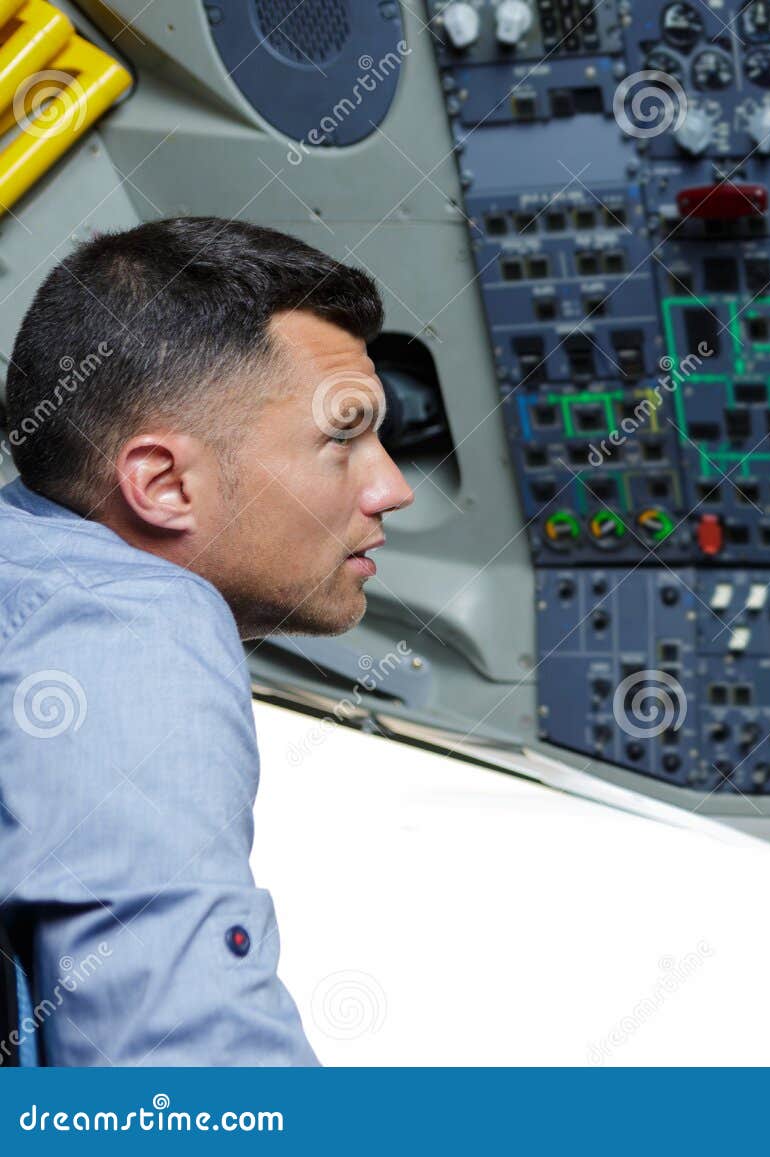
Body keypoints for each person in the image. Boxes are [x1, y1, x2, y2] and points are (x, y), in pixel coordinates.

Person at [0, 217, 413, 1064]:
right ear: (162, 483)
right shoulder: (132, 624)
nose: (392, 487)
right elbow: (190, 1081)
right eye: (343, 437)